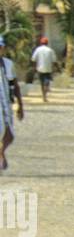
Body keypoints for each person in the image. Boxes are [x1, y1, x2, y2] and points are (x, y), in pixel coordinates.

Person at [0, 36, 25, 172]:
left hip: (5, 103)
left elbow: (15, 85)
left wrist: (20, 105)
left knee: (9, 134)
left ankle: (1, 151)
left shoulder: (8, 64)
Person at [31, 35, 57, 102]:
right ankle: (45, 94)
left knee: (42, 83)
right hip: (48, 69)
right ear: (47, 43)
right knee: (46, 82)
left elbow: (33, 59)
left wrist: (34, 67)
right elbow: (54, 60)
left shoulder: (38, 49)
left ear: (41, 43)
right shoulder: (50, 50)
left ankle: (43, 96)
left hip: (40, 69)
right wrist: (54, 68)